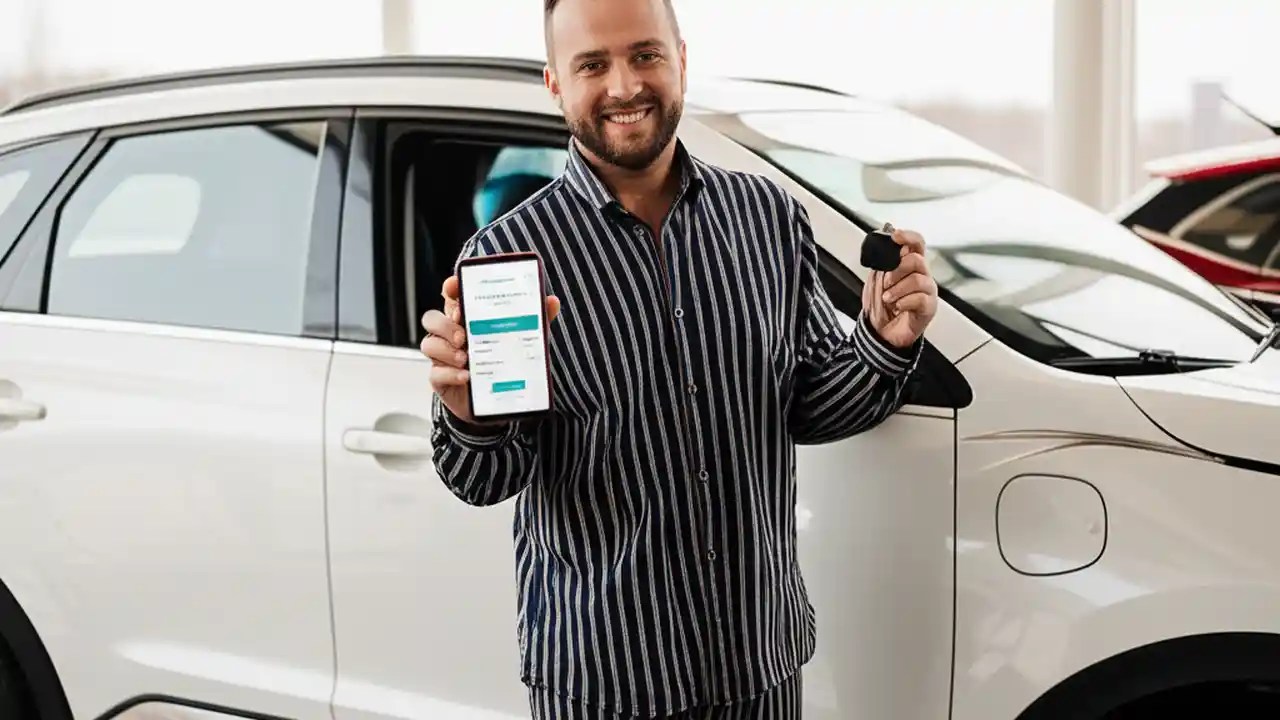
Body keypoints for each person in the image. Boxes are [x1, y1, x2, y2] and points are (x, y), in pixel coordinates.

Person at [420, 0, 939, 716]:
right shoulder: (510, 259)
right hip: (605, 681)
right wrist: (469, 417)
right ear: (555, 85)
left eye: (645, 55)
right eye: (592, 65)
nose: (624, 85)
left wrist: (884, 341)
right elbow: (483, 479)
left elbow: (808, 405)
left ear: (682, 61)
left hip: (758, 664)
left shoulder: (767, 218)